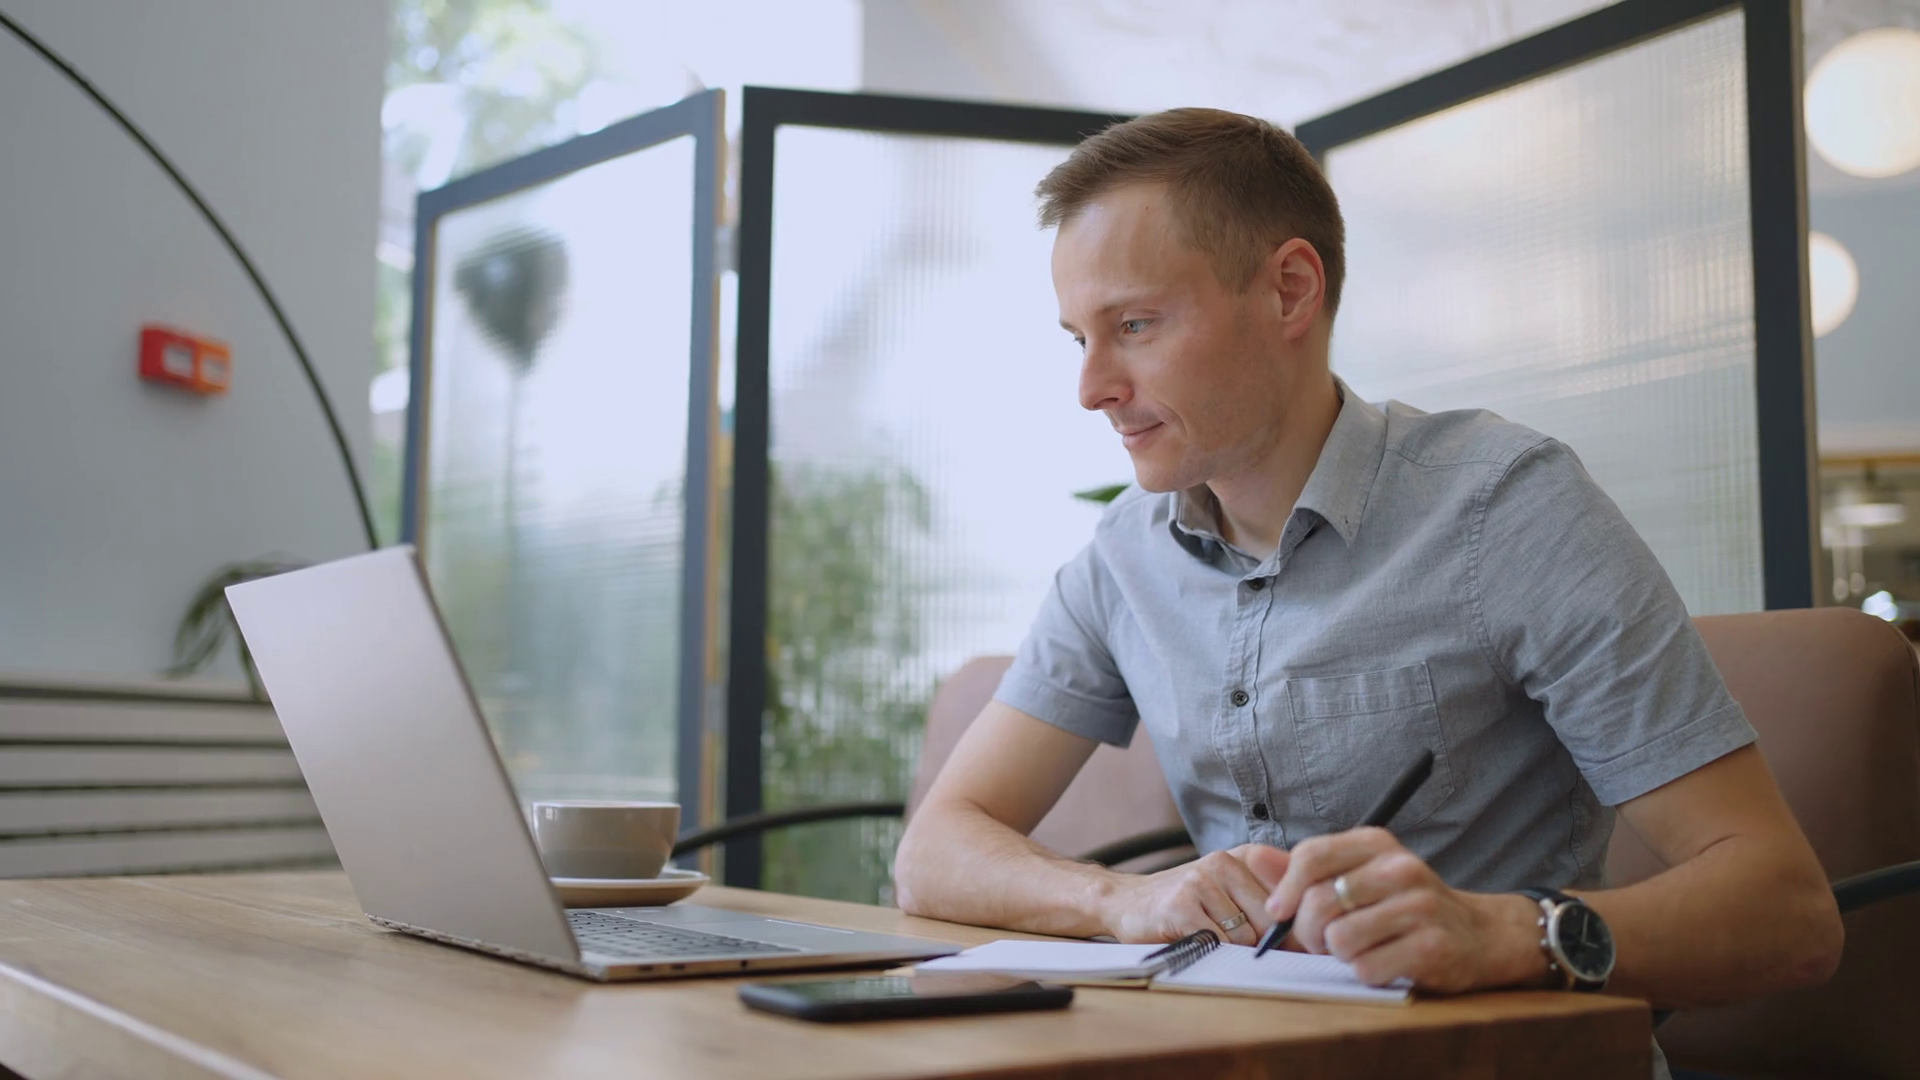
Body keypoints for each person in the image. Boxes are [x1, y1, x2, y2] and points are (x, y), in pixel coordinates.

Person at [891, 107, 1843, 1074]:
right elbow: (934, 852)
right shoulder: (1125, 556)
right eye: (1078, 338)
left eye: (1134, 324)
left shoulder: (1506, 510)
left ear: (1290, 290)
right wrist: (1125, 901)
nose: (1092, 386)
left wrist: (1498, 934)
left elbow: (1788, 912)